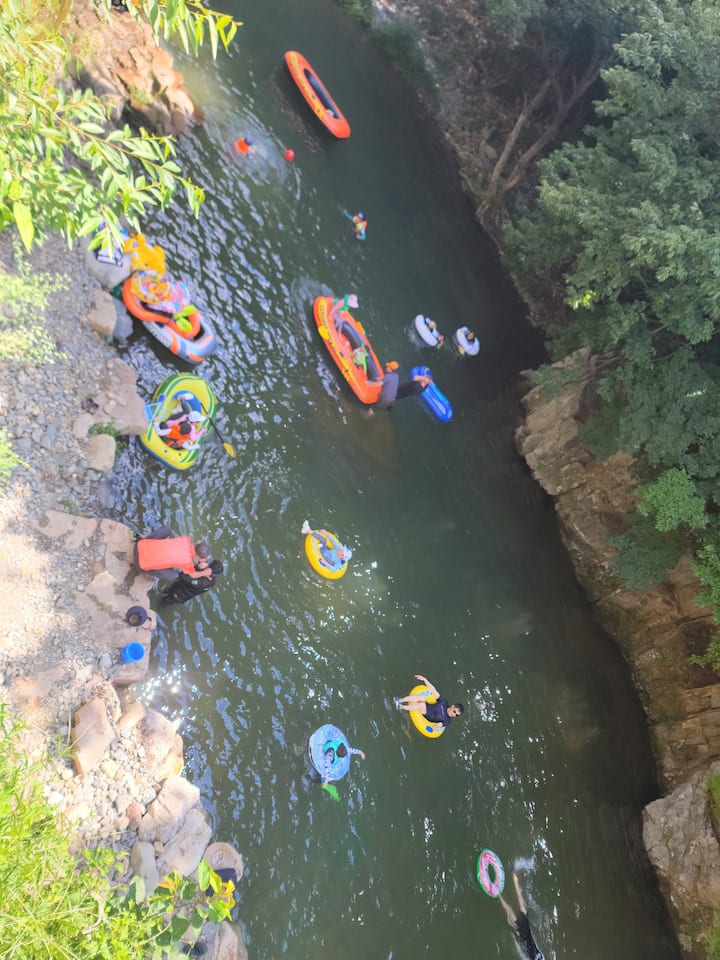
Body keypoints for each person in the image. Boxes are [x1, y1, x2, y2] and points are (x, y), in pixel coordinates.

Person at [498, 872, 545, 960]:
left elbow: (522, 951)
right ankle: (513, 882)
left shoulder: (534, 958)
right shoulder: (541, 957)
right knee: (520, 906)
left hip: (521, 933)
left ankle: (498, 892)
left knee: (510, 908)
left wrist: (515, 940)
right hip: (525, 932)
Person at [394, 674, 464, 729]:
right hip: (427, 706)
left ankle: (401, 707)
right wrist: (425, 680)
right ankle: (400, 700)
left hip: (427, 715)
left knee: (422, 705)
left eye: (456, 715)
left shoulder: (447, 721)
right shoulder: (444, 703)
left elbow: (440, 725)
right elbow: (434, 691)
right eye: (454, 711)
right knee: (421, 697)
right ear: (452, 706)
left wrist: (437, 726)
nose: (454, 714)